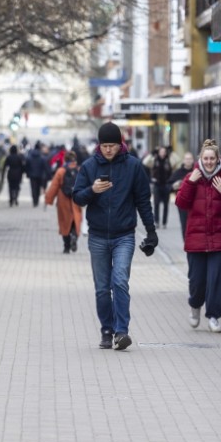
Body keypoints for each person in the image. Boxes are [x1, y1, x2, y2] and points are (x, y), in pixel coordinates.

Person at [72, 122, 156, 351]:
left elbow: (142, 202)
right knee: (101, 287)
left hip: (124, 235)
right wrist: (92, 191)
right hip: (98, 236)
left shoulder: (133, 167)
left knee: (119, 281)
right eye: (105, 146)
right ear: (99, 145)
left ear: (120, 144)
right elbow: (77, 197)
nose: (109, 150)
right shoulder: (89, 167)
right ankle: (106, 330)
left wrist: (151, 231)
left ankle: (122, 331)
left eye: (113, 145)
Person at [175, 140, 221, 333]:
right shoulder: (191, 177)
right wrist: (190, 182)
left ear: (218, 159)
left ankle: (213, 316)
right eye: (206, 158)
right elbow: (181, 203)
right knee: (197, 281)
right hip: (196, 240)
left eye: (212, 158)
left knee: (216, 280)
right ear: (200, 159)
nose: (209, 162)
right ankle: (195, 306)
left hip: (219, 240)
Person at [44, 151, 83, 254]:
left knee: (64, 222)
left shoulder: (61, 171)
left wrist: (49, 199)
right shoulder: (79, 170)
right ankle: (74, 236)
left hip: (63, 199)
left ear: (65, 159)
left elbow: (54, 186)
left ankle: (66, 247)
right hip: (76, 199)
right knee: (76, 219)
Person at [168, 152, 195, 237]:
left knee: (194, 224)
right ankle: (186, 242)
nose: (188, 161)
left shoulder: (196, 171)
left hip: (195, 201)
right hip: (182, 202)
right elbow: (169, 186)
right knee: (184, 224)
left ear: (193, 160)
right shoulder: (178, 172)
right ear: (183, 160)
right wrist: (174, 186)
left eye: (190, 159)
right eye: (186, 159)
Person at [150, 147, 173, 229]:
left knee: (166, 205)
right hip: (157, 185)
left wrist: (170, 183)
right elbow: (145, 162)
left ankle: (164, 222)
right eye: (161, 151)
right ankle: (156, 221)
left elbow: (176, 162)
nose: (163, 153)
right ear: (158, 152)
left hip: (166, 185)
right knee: (156, 204)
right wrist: (154, 152)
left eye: (164, 151)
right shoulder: (154, 160)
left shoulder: (169, 160)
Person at [25, 143, 48, 207]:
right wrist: (48, 174)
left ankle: (34, 200)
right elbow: (45, 166)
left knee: (33, 188)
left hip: (32, 175)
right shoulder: (41, 157)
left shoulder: (29, 157)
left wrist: (27, 173)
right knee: (38, 188)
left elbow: (27, 166)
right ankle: (37, 200)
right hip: (39, 175)